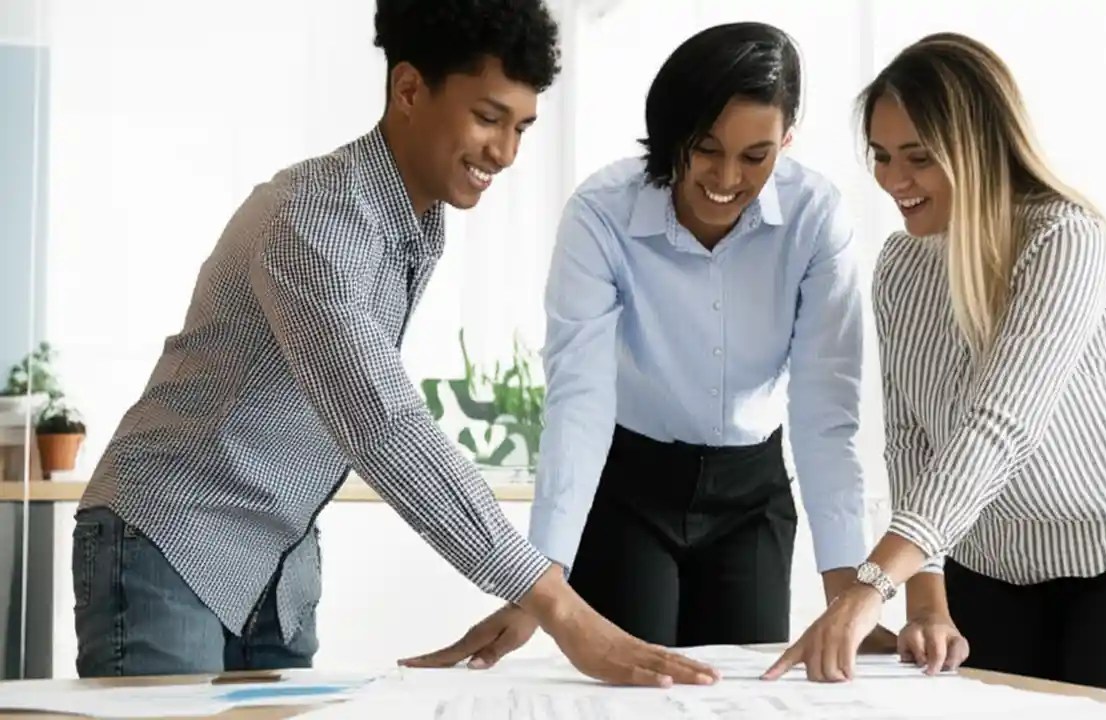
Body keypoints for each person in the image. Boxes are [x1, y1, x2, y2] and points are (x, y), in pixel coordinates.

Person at [71, 0, 717, 689]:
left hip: (280, 562)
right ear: (409, 90)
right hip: (172, 538)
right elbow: (381, 422)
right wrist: (560, 608)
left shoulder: (415, 222)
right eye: (488, 117)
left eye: (521, 128)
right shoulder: (313, 219)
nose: (504, 153)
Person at [408, 21, 897, 671]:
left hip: (750, 495)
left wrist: (846, 588)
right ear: (673, 135)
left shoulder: (816, 219)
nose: (726, 177)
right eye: (705, 148)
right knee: (631, 690)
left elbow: (824, 410)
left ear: (786, 140)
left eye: (755, 156)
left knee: (738, 690)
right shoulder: (602, 214)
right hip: (631, 488)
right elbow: (579, 398)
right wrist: (539, 584)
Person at [763, 32, 1106, 699]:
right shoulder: (901, 265)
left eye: (918, 157)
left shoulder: (1065, 239)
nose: (893, 180)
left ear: (978, 148)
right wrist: (924, 599)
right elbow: (914, 438)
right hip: (991, 572)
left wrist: (868, 586)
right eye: (882, 157)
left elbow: (996, 429)